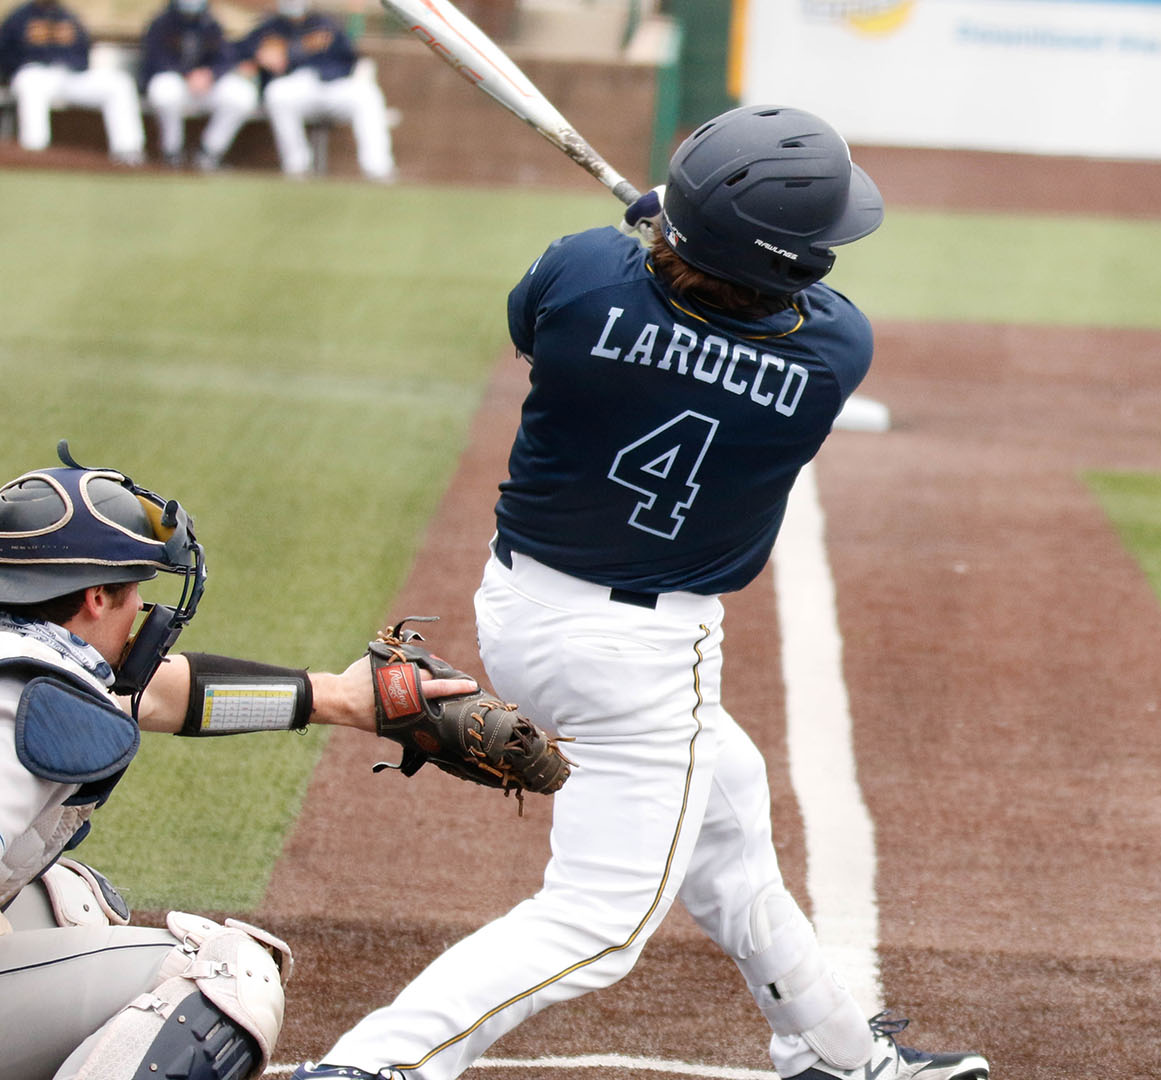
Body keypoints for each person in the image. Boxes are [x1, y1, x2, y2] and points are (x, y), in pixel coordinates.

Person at [289, 106, 989, 1080]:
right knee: (598, 924)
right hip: (640, 661)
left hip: (523, 608)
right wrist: (684, 237)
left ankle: (832, 1053)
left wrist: (660, 235)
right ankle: (374, 1067)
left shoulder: (577, 275)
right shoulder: (832, 355)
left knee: (730, 819)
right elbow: (781, 301)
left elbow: (550, 309)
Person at [0, 443, 478, 1080]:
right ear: (94, 597)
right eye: (136, 590)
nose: (144, 611)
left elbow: (163, 695)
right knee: (222, 978)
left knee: (65, 902)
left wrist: (340, 699)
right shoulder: (29, 707)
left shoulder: (29, 664)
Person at [235, 0, 392, 180]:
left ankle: (378, 168)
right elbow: (240, 52)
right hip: (296, 84)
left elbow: (349, 57)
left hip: (334, 84)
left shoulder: (324, 22)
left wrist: (293, 52)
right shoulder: (269, 28)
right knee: (277, 93)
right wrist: (260, 59)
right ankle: (297, 165)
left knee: (367, 95)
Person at [0, 0, 144, 165]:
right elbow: (5, 54)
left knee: (119, 83)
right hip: (35, 73)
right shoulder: (19, 18)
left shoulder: (68, 17)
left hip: (69, 75)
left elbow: (84, 53)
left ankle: (128, 151)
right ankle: (36, 153)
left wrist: (72, 65)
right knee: (30, 82)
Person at [137, 0, 257, 169]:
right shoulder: (161, 23)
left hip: (205, 86)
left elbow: (224, 58)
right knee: (163, 89)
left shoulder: (210, 24)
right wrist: (187, 74)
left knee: (242, 95)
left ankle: (210, 151)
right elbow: (155, 60)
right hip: (177, 84)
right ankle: (171, 151)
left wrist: (210, 74)